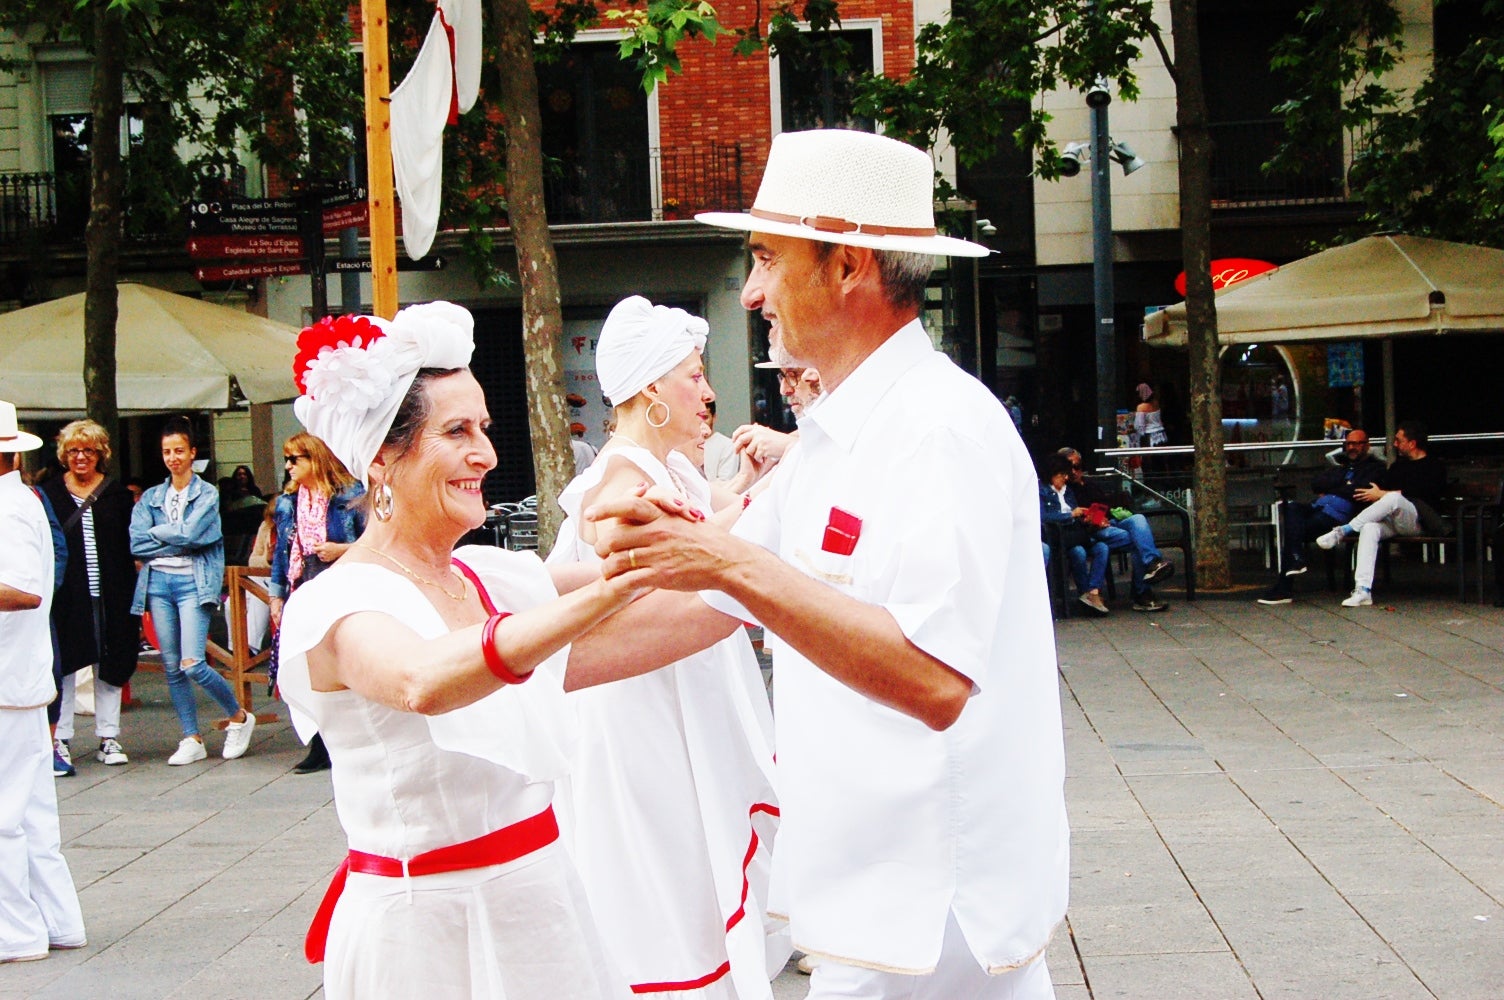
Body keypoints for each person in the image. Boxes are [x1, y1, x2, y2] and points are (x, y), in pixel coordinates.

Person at [571, 129, 1068, 999]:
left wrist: (722, 563)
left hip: (935, 911)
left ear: (848, 267)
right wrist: (477, 641)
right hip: (876, 902)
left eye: (766, 257)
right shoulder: (841, 434)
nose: (754, 291)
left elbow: (935, 678)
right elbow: (691, 611)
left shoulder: (939, 429)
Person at [277, 303, 648, 1000]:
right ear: (383, 457)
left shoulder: (490, 574)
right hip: (422, 933)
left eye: (484, 428)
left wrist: (745, 527)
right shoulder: (334, 604)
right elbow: (421, 681)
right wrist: (602, 596)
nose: (486, 452)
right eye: (457, 432)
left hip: (543, 905)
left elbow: (671, 598)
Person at [547, 295, 783, 1000]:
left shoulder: (672, 468)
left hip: (688, 681)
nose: (707, 393)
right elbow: (603, 518)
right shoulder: (621, 471)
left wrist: (749, 484)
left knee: (693, 856)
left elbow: (715, 506)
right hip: (646, 707)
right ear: (651, 388)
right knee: (665, 857)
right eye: (693, 376)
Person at [0, 399, 86, 962]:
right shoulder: (18, 501)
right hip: (18, 677)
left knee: (7, 814)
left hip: (9, 679)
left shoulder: (8, 509)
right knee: (28, 810)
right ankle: (56, 922)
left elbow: (25, 590)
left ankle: (17, 933)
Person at [130, 416, 257, 765]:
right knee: (172, 666)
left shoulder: (207, 493)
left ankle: (240, 716)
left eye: (179, 451)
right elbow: (137, 541)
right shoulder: (153, 496)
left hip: (193, 584)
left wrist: (162, 535)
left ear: (192, 452)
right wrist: (175, 537)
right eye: (167, 452)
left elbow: (194, 534)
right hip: (158, 585)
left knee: (192, 663)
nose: (173, 457)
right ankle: (191, 736)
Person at [40, 420, 140, 769]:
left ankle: (109, 736)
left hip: (112, 590)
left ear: (101, 454)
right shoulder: (49, 493)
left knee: (111, 662)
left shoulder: (116, 495)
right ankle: (60, 738)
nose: (81, 457)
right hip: (68, 593)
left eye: (89, 451)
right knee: (65, 663)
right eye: (73, 451)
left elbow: (130, 543)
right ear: (64, 455)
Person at [268, 432, 366, 774]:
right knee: (310, 666)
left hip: (342, 580)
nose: (288, 466)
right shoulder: (288, 502)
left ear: (315, 460)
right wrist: (275, 594)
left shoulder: (349, 496)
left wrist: (341, 550)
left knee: (346, 660)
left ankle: (351, 737)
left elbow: (377, 542)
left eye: (296, 459)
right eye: (287, 459)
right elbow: (281, 553)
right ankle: (319, 744)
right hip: (303, 583)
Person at [1317, 421, 1448, 607]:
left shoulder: (1434, 466)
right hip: (1392, 520)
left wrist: (1384, 494)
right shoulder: (1398, 466)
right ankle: (1363, 590)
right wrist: (1380, 494)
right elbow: (1384, 492)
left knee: (1393, 498)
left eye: (1399, 440)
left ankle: (1344, 530)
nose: (1394, 444)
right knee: (1370, 528)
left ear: (1412, 443)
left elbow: (1425, 495)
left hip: (1418, 520)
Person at [1257, 428, 1387, 605]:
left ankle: (1284, 586)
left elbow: (1359, 489)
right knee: (1292, 508)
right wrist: (1344, 484)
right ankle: (1295, 559)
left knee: (1294, 530)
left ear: (1367, 445)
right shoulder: (1340, 467)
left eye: (1357, 443)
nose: (1352, 447)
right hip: (1317, 507)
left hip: (1339, 517)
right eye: (1349, 444)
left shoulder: (1375, 468)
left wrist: (1336, 487)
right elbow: (1316, 483)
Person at [1056, 447, 1174, 612]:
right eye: (1071, 468)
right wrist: (1094, 520)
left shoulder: (1090, 484)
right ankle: (1142, 591)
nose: (1075, 471)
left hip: (1108, 522)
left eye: (1078, 466)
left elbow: (1106, 505)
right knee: (1136, 540)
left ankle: (1152, 562)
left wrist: (1105, 515)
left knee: (1138, 520)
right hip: (1091, 530)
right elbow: (1073, 516)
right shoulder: (1065, 490)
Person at [1038, 453, 1110, 615]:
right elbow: (1043, 517)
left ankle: (1092, 592)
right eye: (1061, 475)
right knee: (1079, 552)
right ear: (1051, 475)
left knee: (1102, 548)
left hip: (1076, 533)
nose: (1065, 478)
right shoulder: (1042, 492)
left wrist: (1088, 519)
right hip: (1060, 536)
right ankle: (1085, 592)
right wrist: (1070, 515)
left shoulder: (1068, 491)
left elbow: (1077, 514)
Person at [700, 401, 743, 482]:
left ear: (714, 417)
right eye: (698, 417)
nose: (701, 423)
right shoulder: (685, 444)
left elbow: (725, 482)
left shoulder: (727, 445)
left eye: (705, 417)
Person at [1134, 382, 1167, 447]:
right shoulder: (1156, 403)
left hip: (1149, 436)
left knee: (1150, 455)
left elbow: (1140, 426)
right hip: (1161, 434)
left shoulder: (1141, 407)